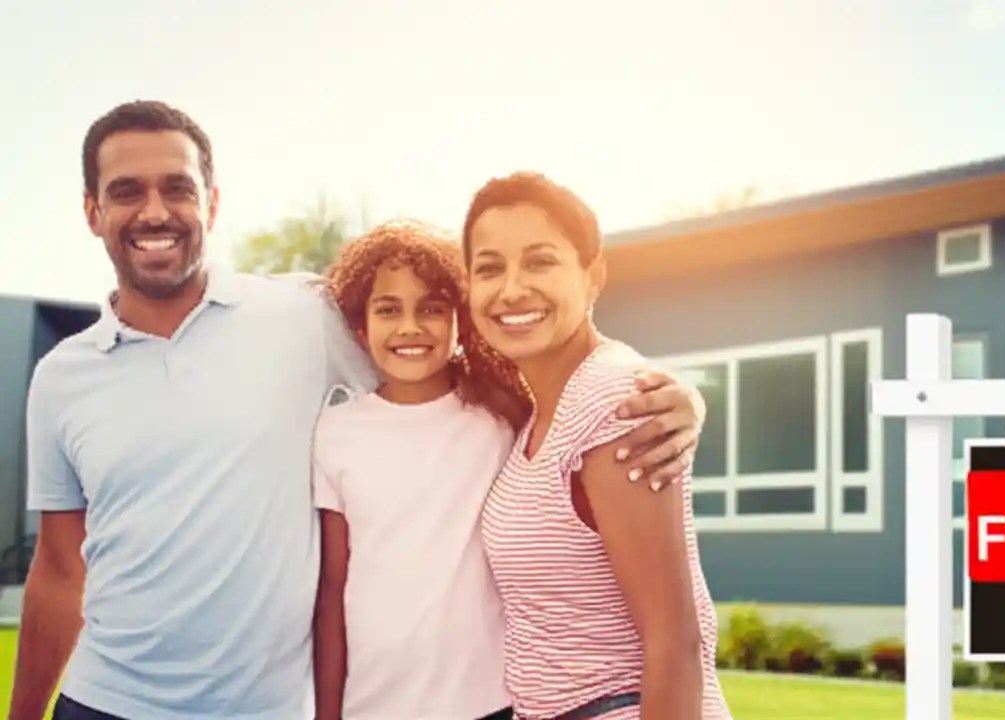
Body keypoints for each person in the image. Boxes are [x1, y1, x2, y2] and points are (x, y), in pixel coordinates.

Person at [11, 100, 705, 720]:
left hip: (270, 709)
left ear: (212, 204)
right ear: (92, 211)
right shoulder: (61, 378)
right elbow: (59, 570)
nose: (155, 212)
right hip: (105, 702)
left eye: (178, 188)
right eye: (125, 191)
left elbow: (485, 361)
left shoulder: (299, 317)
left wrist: (673, 397)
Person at [465, 172, 732, 720]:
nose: (512, 289)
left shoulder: (614, 402)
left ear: (593, 277)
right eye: (489, 268)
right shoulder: (539, 408)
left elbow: (674, 643)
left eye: (540, 262)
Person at [311, 220, 527, 720]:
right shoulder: (335, 433)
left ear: (459, 323)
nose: (410, 326)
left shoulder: (499, 422)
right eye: (388, 310)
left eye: (431, 308)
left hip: (492, 702)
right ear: (361, 329)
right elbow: (333, 588)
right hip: (375, 705)